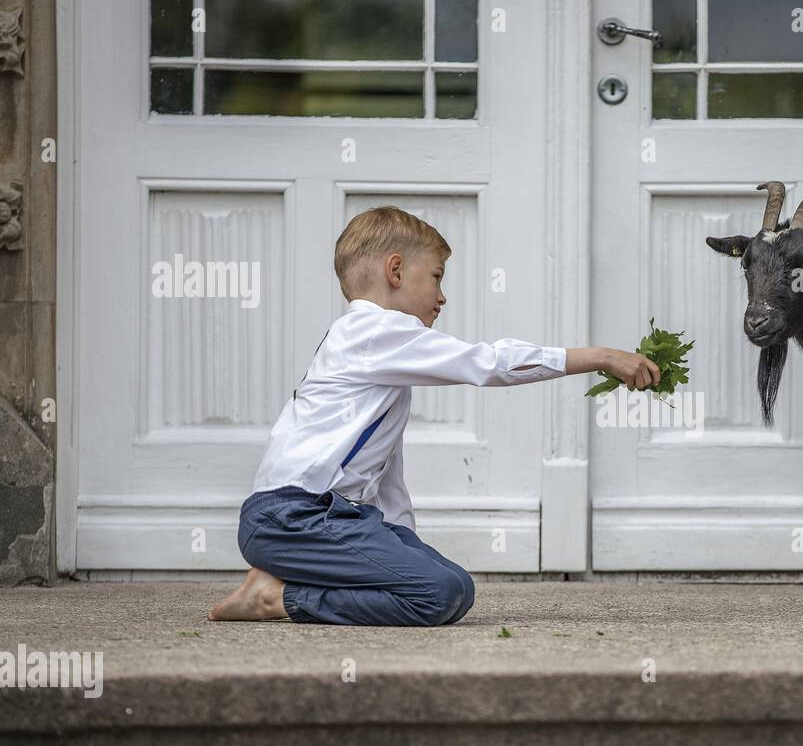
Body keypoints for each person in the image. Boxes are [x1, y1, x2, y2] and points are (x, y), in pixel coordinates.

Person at [208, 206, 658, 625]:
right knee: (439, 593)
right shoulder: (375, 330)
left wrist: (404, 543)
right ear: (396, 270)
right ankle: (278, 598)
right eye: (437, 278)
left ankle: (281, 585)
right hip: (294, 517)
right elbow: (490, 363)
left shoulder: (376, 347)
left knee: (454, 587)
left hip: (325, 518)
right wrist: (600, 356)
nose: (442, 297)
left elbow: (386, 472)